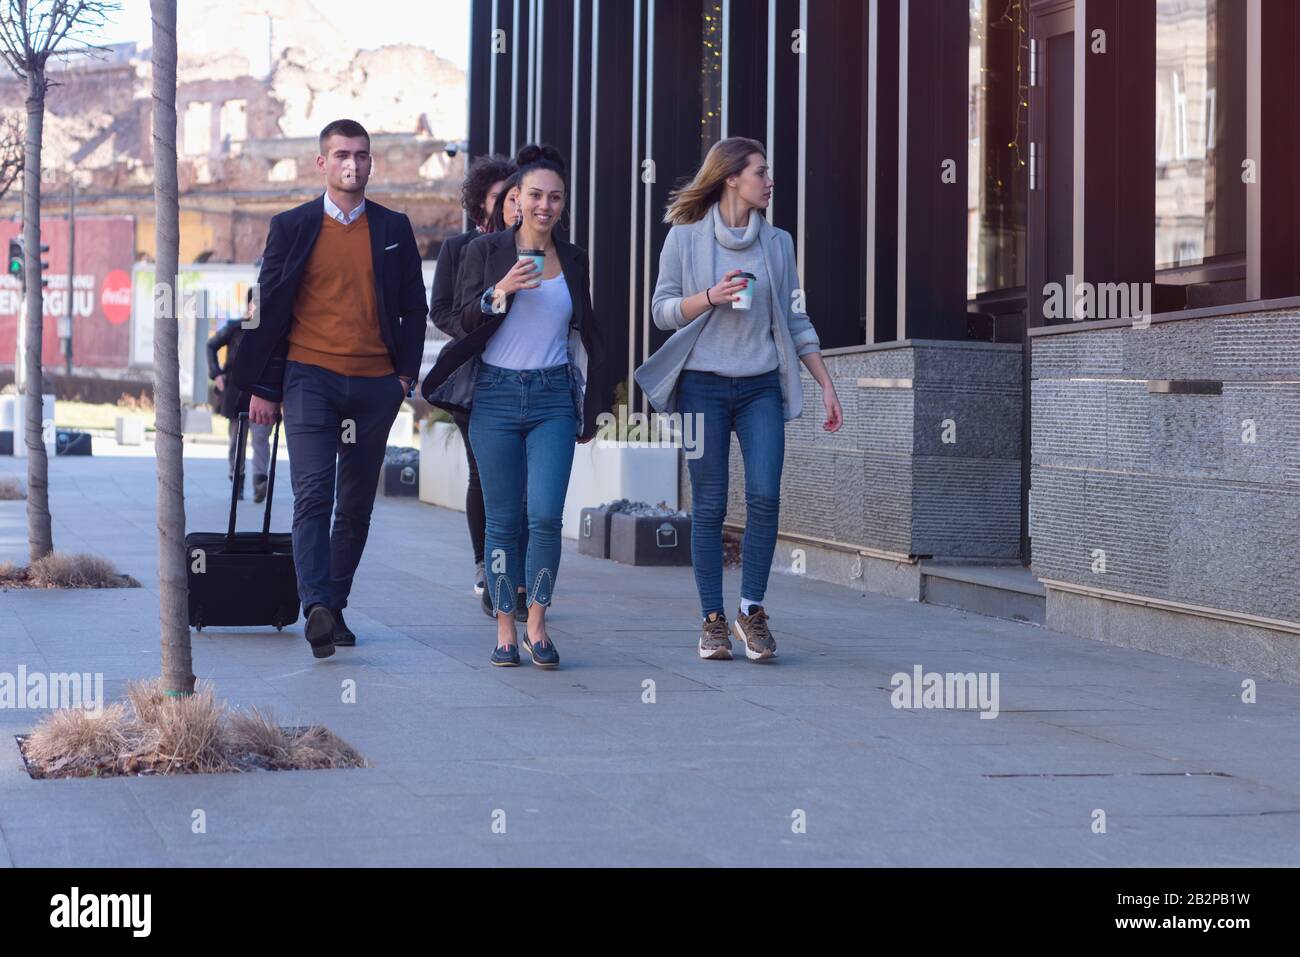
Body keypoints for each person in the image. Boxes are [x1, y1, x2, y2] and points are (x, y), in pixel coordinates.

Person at [636, 137, 844, 662]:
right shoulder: (684, 239)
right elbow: (661, 311)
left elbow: (796, 318)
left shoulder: (777, 243)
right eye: (761, 172)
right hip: (701, 384)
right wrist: (710, 297)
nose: (769, 181)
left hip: (759, 387)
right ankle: (711, 621)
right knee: (708, 505)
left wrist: (825, 382)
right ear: (731, 177)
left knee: (766, 493)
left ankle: (751, 610)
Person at [232, 118, 429, 659]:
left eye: (362, 155)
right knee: (314, 493)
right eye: (342, 154)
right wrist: (263, 387)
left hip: (374, 386)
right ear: (322, 163)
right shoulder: (292, 226)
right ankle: (316, 602)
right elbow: (267, 312)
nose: (353, 164)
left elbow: (415, 306)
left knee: (357, 503)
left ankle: (333, 607)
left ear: (371, 162)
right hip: (309, 379)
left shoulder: (393, 228)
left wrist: (404, 377)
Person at [422, 144, 608, 669]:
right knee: (502, 522)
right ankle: (505, 629)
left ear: (562, 204)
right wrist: (497, 292)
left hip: (552, 396)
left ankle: (537, 624)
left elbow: (586, 332)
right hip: (496, 397)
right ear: (516, 201)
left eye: (555, 197)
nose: (545, 205)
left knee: (546, 516)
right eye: (535, 195)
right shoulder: (485, 253)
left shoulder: (573, 259)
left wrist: (591, 405)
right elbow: (459, 321)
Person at [428, 153, 526, 618]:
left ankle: (517, 572)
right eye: (501, 197)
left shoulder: (540, 248)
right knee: (484, 473)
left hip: (530, 377)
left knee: (520, 480)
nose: (515, 204)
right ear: (480, 205)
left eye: (518, 194)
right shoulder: (460, 247)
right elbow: (442, 310)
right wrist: (475, 330)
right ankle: (488, 568)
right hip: (475, 377)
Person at [206, 289, 272, 502]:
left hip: (262, 393)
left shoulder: (270, 330)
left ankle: (260, 482)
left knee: (261, 438)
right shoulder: (235, 328)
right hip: (236, 394)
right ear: (249, 305)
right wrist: (216, 374)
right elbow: (211, 345)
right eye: (255, 303)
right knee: (237, 440)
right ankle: (238, 481)